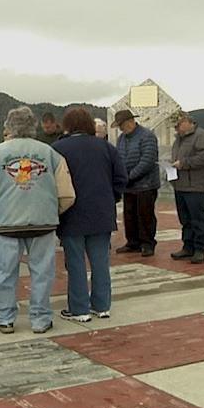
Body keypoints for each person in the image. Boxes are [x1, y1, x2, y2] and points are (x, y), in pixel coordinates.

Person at [0, 106, 76, 334]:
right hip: (43, 222)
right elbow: (67, 193)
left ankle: (4, 318)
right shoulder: (50, 153)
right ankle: (40, 319)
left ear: (8, 126)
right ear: (33, 126)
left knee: (4, 272)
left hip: (6, 223)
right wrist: (51, 211)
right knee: (42, 272)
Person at [53, 107, 127, 322]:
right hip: (102, 213)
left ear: (67, 125)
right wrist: (110, 198)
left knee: (75, 263)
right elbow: (121, 178)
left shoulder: (57, 148)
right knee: (100, 262)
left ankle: (79, 309)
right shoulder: (106, 147)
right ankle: (102, 305)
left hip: (71, 213)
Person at [168, 111, 204, 264]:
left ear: (188, 121)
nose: (176, 129)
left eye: (178, 125)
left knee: (197, 218)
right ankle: (188, 246)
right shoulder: (178, 140)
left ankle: (200, 249)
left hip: (195, 185)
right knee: (185, 219)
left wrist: (184, 163)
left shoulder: (202, 136)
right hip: (180, 184)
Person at [112, 109, 160, 257]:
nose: (120, 128)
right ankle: (132, 242)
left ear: (130, 122)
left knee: (145, 215)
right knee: (129, 215)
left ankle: (147, 243)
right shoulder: (121, 139)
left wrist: (129, 176)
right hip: (129, 185)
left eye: (122, 125)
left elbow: (147, 161)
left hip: (146, 184)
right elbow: (118, 158)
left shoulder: (147, 136)